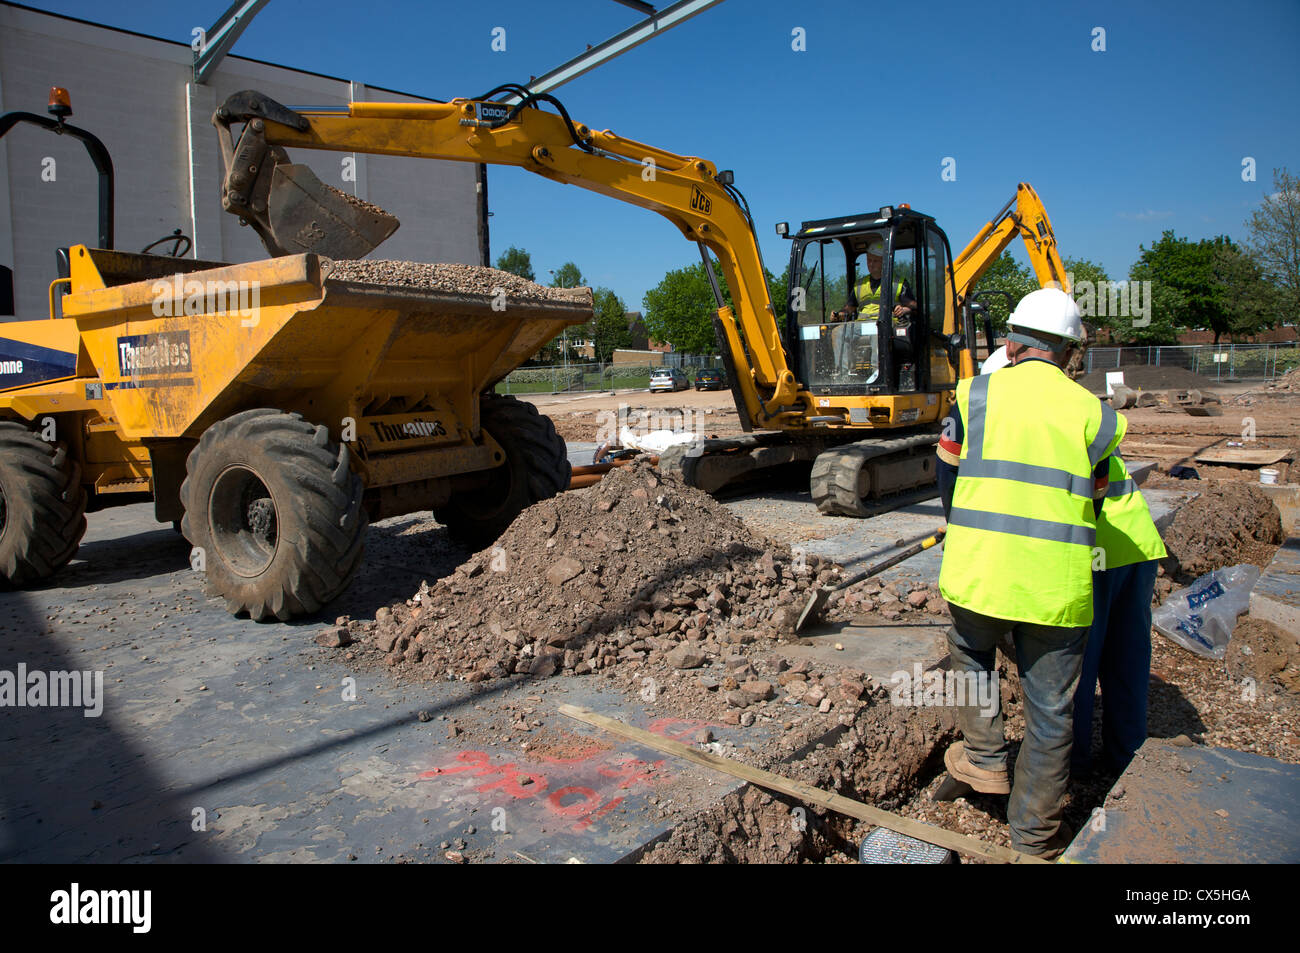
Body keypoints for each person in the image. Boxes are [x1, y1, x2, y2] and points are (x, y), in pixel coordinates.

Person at [934, 287, 1125, 859]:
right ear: (1069, 352)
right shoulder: (1096, 416)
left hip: (979, 574)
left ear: (1011, 343)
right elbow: (1099, 494)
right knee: (1051, 713)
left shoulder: (973, 395)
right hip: (1055, 588)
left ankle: (988, 760)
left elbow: (946, 476)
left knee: (970, 654)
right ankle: (1034, 840)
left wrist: (962, 527)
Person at [1073, 453, 1166, 774]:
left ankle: (1072, 764)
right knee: (1127, 655)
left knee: (1078, 660)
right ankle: (1126, 757)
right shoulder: (1089, 421)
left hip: (1096, 548)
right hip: (1137, 541)